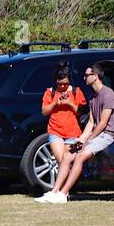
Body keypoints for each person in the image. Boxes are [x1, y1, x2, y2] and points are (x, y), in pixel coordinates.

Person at [36, 62, 114, 204]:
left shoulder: (108, 94)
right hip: (92, 134)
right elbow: (91, 122)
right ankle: (53, 192)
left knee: (79, 157)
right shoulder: (93, 97)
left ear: (96, 76)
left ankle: (63, 194)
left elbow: (103, 124)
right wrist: (82, 138)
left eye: (87, 75)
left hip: (106, 134)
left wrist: (88, 141)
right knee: (67, 157)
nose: (84, 77)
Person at [41, 62, 88, 194]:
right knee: (62, 160)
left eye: (65, 84)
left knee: (67, 161)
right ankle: (61, 191)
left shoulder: (76, 91)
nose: (62, 87)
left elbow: (81, 112)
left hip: (72, 132)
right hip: (55, 130)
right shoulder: (49, 93)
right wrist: (54, 103)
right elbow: (44, 111)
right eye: (60, 84)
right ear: (55, 81)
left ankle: (62, 190)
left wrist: (70, 103)